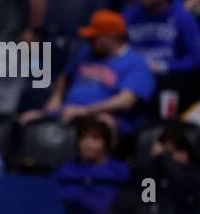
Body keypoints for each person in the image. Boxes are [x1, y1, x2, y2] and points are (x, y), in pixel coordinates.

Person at [26, 10, 155, 134]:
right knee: (28, 119)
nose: (89, 41)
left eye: (94, 37)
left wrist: (85, 111)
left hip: (103, 117)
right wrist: (54, 104)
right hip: (68, 111)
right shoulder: (87, 53)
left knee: (103, 124)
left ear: (111, 37)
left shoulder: (136, 63)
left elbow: (125, 101)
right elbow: (65, 77)